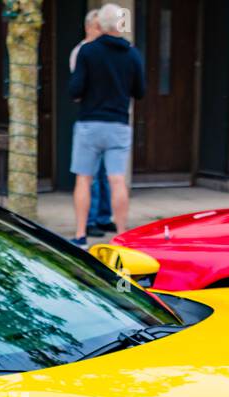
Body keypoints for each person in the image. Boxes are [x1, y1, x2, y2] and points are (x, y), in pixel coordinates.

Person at [67, 3, 144, 246]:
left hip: (90, 122)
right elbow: (140, 91)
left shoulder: (87, 51)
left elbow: (75, 89)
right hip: (119, 124)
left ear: (99, 24)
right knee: (117, 180)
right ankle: (121, 235)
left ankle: (81, 234)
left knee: (84, 179)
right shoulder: (133, 54)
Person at [69, 10, 113, 236]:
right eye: (98, 27)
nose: (102, 31)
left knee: (107, 173)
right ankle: (91, 220)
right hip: (91, 118)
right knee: (91, 175)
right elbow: (78, 88)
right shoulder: (82, 52)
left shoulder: (105, 51)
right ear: (89, 27)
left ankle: (105, 216)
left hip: (106, 118)